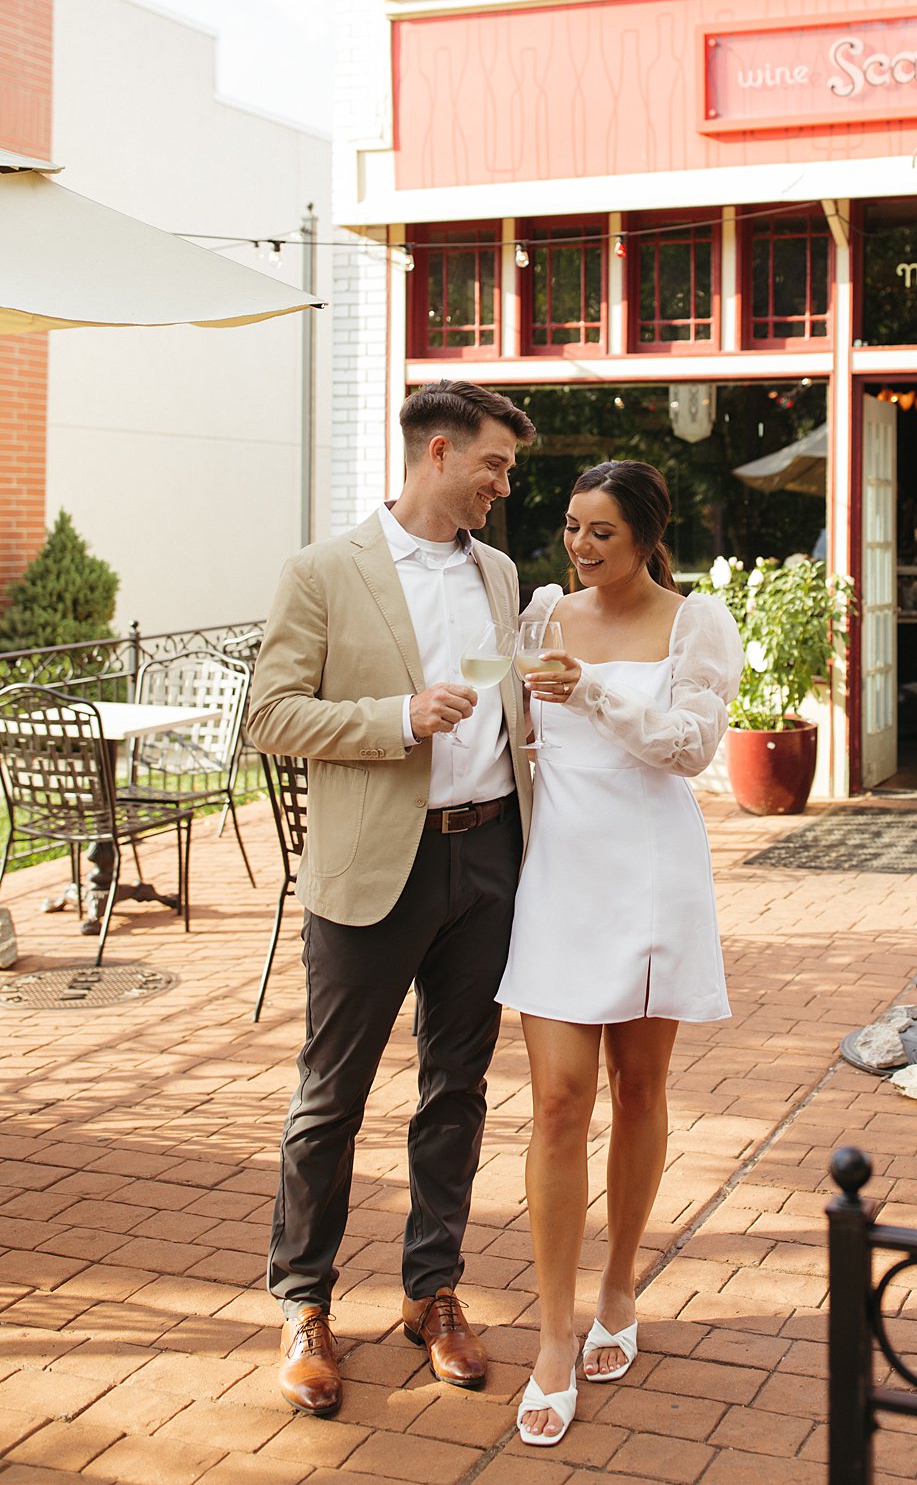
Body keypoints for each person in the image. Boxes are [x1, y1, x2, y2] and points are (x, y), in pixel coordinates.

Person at [248, 379, 536, 1419]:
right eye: (496, 464)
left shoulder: (499, 571)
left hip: (489, 857)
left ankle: (432, 1289)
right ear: (441, 452)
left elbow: (497, 687)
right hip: (377, 863)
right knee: (332, 1093)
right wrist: (396, 716)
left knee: (457, 1087)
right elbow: (270, 714)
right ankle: (304, 1302)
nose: (506, 485)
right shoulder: (325, 571)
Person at [497, 459, 742, 1449]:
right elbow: (507, 722)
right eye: (570, 526)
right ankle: (553, 1332)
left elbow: (690, 747)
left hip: (650, 874)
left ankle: (618, 1281)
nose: (580, 546)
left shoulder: (698, 622)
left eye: (601, 531)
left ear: (647, 535)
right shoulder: (541, 609)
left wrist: (593, 689)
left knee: (639, 1090)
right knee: (558, 1101)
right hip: (558, 872)